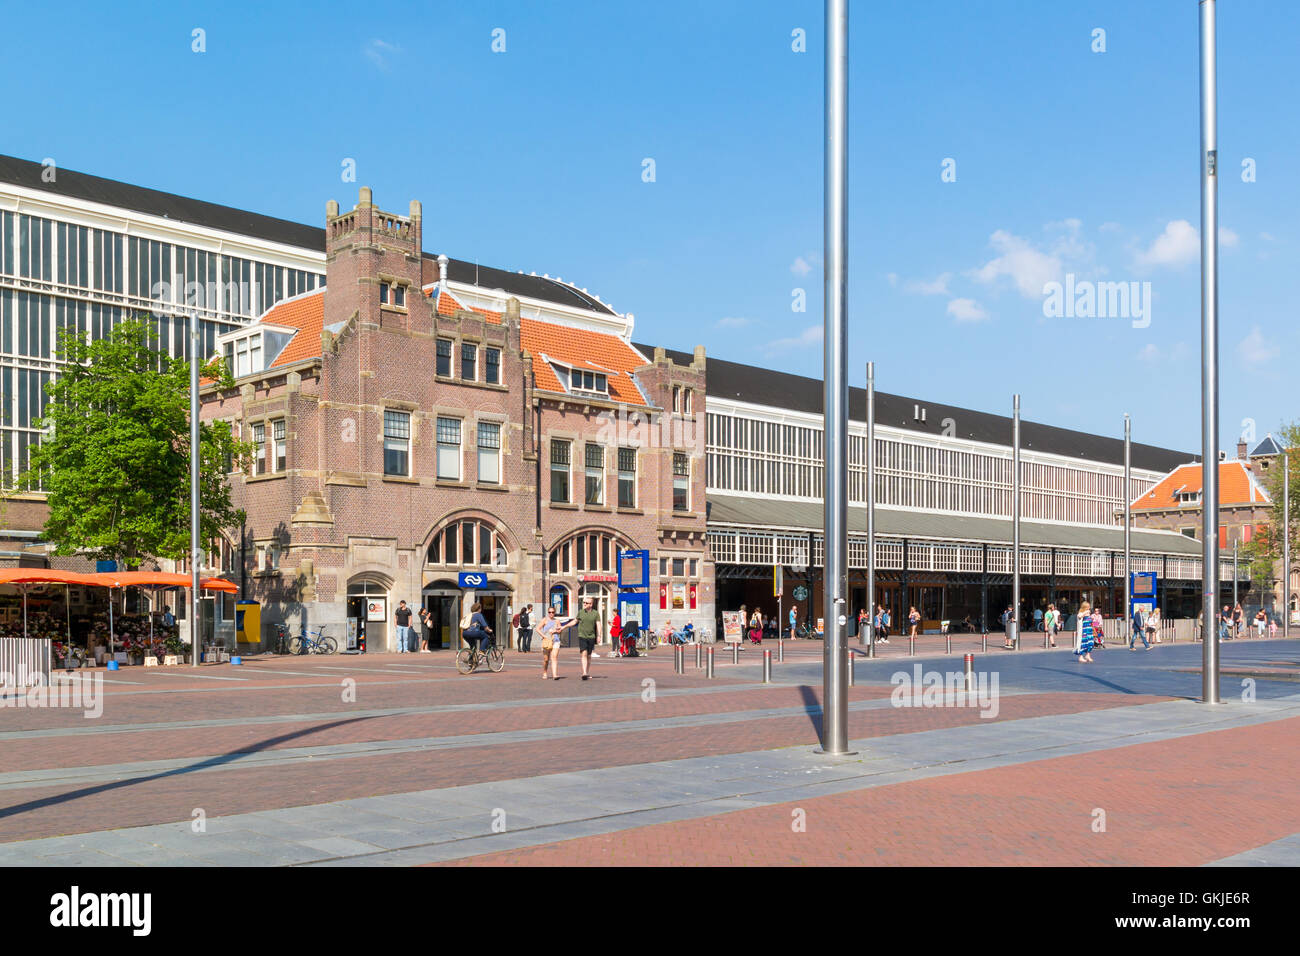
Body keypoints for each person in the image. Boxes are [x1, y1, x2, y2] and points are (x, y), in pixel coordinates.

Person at [537, 606, 570, 680]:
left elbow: (560, 630)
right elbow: (537, 629)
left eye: (552, 612)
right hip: (546, 641)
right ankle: (545, 672)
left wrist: (555, 631)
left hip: (555, 640)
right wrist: (544, 636)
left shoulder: (557, 621)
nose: (551, 613)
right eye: (549, 612)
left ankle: (555, 674)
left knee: (554, 657)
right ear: (548, 613)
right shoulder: (544, 620)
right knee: (546, 659)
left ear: (555, 613)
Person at [574, 596, 601, 680]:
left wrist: (599, 635)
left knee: (589, 655)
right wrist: (564, 626)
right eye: (584, 602)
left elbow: (598, 625)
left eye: (586, 603)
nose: (584, 604)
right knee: (584, 653)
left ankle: (587, 672)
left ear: (591, 604)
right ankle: (584, 673)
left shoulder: (595, 613)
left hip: (591, 636)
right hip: (582, 636)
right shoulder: (580, 612)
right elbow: (575, 621)